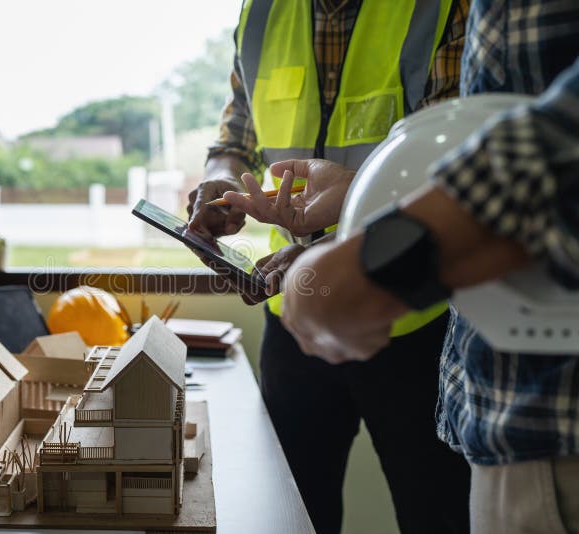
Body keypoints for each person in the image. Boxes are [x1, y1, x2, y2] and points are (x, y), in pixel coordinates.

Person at [279, 1, 579, 532]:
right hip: (503, 408)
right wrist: (363, 202)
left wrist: (384, 261)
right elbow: (482, 132)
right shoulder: (266, 16)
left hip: (553, 416)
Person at [185, 1, 471, 532]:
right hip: (290, 317)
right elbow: (235, 137)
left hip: (414, 319)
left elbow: (456, 160)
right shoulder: (262, 13)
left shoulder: (442, 9)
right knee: (290, 516)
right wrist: (221, 180)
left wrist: (342, 244)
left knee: (437, 514)